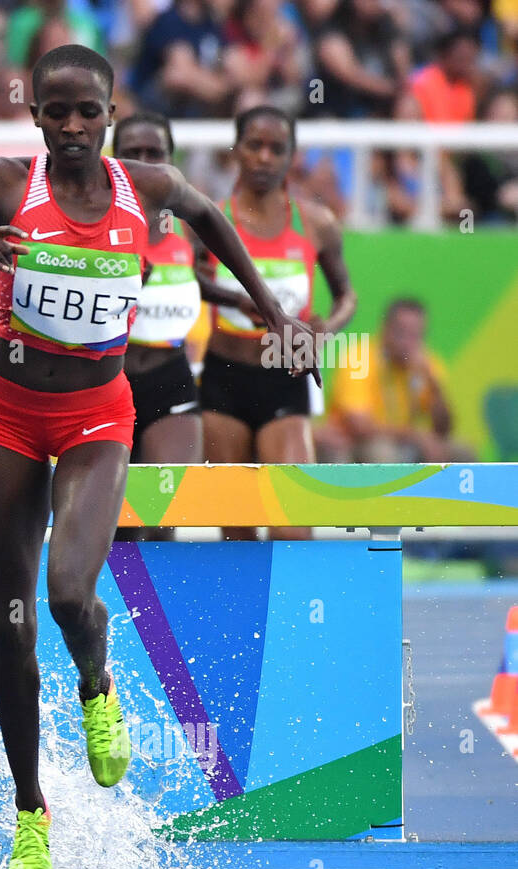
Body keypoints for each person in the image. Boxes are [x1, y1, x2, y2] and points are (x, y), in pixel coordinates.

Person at [0, 45, 312, 869]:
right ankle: (30, 813)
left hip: (95, 416)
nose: (74, 126)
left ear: (112, 114)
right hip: (10, 417)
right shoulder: (3, 186)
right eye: (58, 111)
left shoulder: (145, 190)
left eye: (89, 111)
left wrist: (272, 310)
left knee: (65, 594)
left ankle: (96, 680)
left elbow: (214, 221)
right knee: (10, 624)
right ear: (36, 116)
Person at [196, 104, 356, 542]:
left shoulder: (316, 223)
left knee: (292, 522)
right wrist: (239, 299)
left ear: (291, 156)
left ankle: (298, 611)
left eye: (276, 149)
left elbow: (347, 296)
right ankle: (241, 612)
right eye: (255, 145)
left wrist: (327, 329)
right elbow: (192, 281)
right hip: (224, 376)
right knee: (237, 524)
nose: (265, 157)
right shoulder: (209, 219)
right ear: (237, 150)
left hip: (285, 376)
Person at [112, 113, 204, 490]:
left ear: (172, 159)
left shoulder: (191, 222)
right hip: (105, 380)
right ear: (113, 159)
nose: (145, 164)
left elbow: (205, 282)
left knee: (164, 509)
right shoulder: (88, 218)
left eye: (155, 153)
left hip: (170, 378)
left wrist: (263, 308)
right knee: (112, 519)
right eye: (133, 153)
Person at [317, 298, 472, 463]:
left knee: (462, 452)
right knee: (382, 453)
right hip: (356, 442)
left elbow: (444, 428)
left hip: (404, 442)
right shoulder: (360, 358)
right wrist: (415, 436)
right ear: (385, 329)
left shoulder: (426, 364)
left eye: (415, 335)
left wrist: (432, 383)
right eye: (401, 333)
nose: (407, 343)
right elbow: (360, 426)